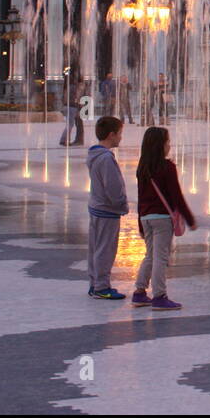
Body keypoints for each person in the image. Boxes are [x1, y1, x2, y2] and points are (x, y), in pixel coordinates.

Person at [132, 126, 197, 310]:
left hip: (146, 217)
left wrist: (140, 222)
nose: (170, 145)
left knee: (150, 256)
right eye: (167, 142)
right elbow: (176, 196)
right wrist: (189, 219)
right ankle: (159, 295)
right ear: (160, 146)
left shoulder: (142, 168)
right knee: (161, 257)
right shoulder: (167, 167)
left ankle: (139, 292)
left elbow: (140, 197)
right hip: (162, 218)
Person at [86, 116, 129, 300]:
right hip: (107, 210)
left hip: (97, 207)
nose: (121, 138)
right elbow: (112, 187)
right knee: (105, 249)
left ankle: (95, 283)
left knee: (96, 248)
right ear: (111, 135)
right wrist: (121, 204)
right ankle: (101, 287)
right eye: (120, 134)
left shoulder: (95, 155)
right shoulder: (105, 159)